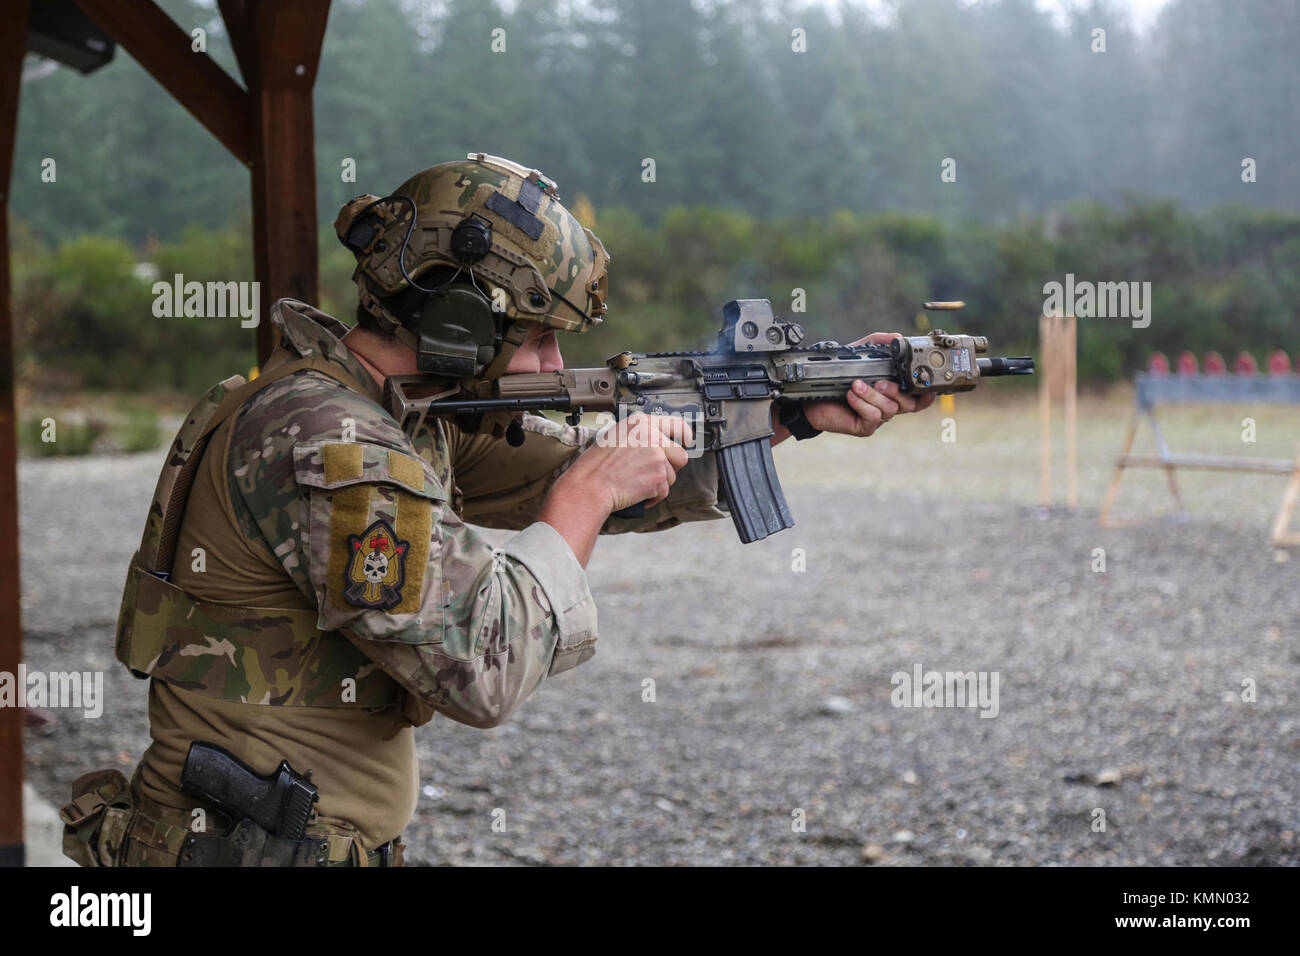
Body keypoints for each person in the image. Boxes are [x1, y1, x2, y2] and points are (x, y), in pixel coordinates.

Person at [60, 153, 933, 867]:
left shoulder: (394, 415)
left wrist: (786, 412)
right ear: (457, 326)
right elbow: (482, 664)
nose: (552, 361)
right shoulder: (333, 445)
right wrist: (584, 498)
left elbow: (596, 473)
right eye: (538, 337)